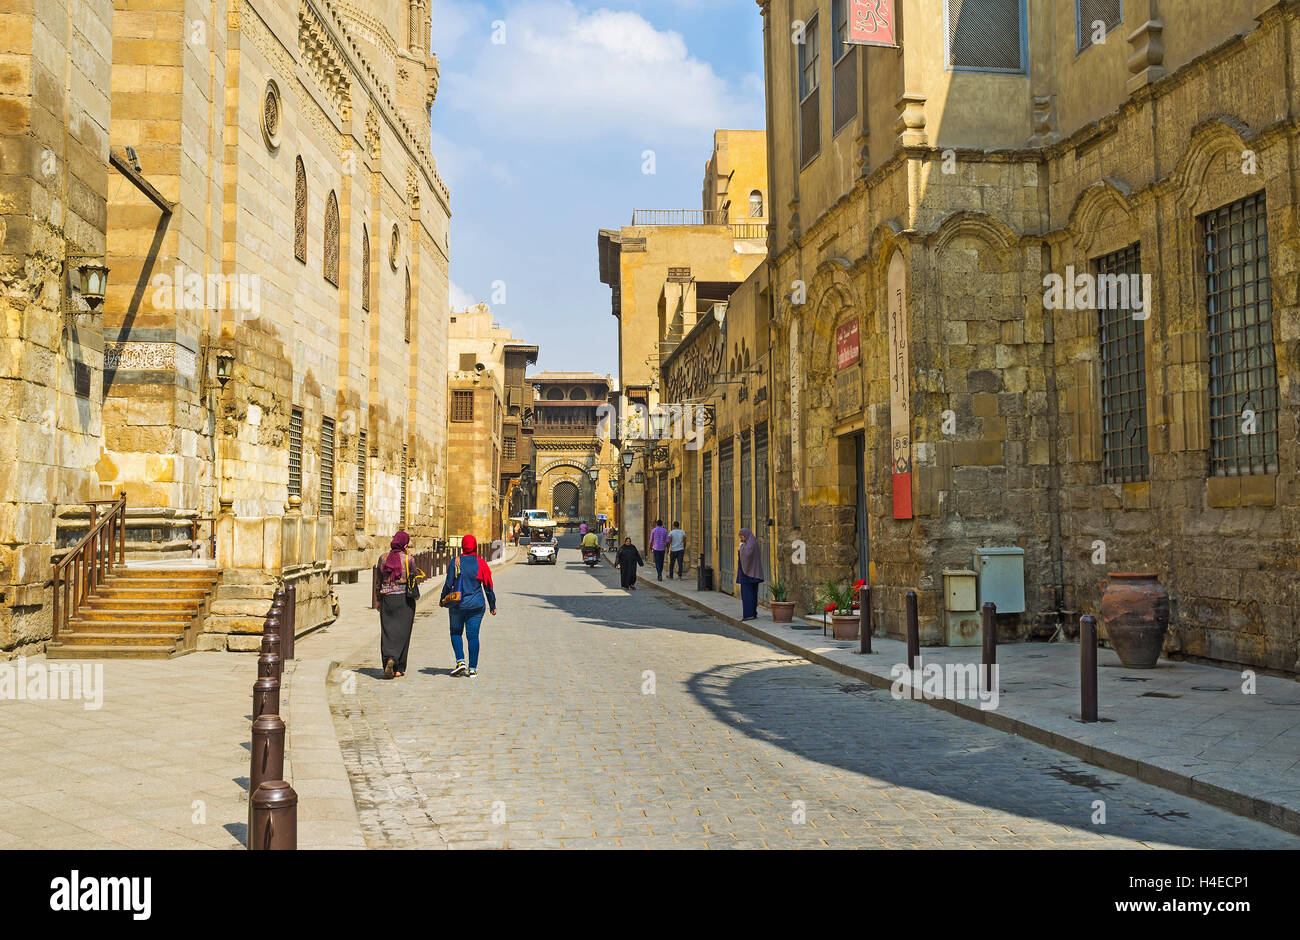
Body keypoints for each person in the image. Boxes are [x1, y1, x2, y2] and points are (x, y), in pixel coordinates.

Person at [441, 534, 497, 678]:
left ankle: (460, 661)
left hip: (457, 605)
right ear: (475, 546)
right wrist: (492, 605)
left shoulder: (456, 561)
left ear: (462, 546)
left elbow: (448, 584)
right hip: (476, 606)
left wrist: (442, 599)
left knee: (455, 632)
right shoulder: (481, 563)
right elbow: (488, 586)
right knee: (473, 637)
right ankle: (472, 669)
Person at [376, 531, 423, 679]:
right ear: (404, 543)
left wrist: (378, 600)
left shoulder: (383, 558)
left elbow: (378, 580)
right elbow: (413, 577)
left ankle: (388, 660)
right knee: (403, 632)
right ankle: (398, 667)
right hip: (404, 600)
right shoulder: (409, 559)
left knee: (387, 631)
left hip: (387, 599)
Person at [736, 528, 765, 621]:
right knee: (753, 594)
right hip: (753, 574)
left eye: (742, 536)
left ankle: (748, 615)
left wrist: (740, 549)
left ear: (746, 535)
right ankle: (753, 613)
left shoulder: (750, 544)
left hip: (748, 574)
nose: (741, 538)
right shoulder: (752, 542)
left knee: (747, 595)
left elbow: (747, 555)